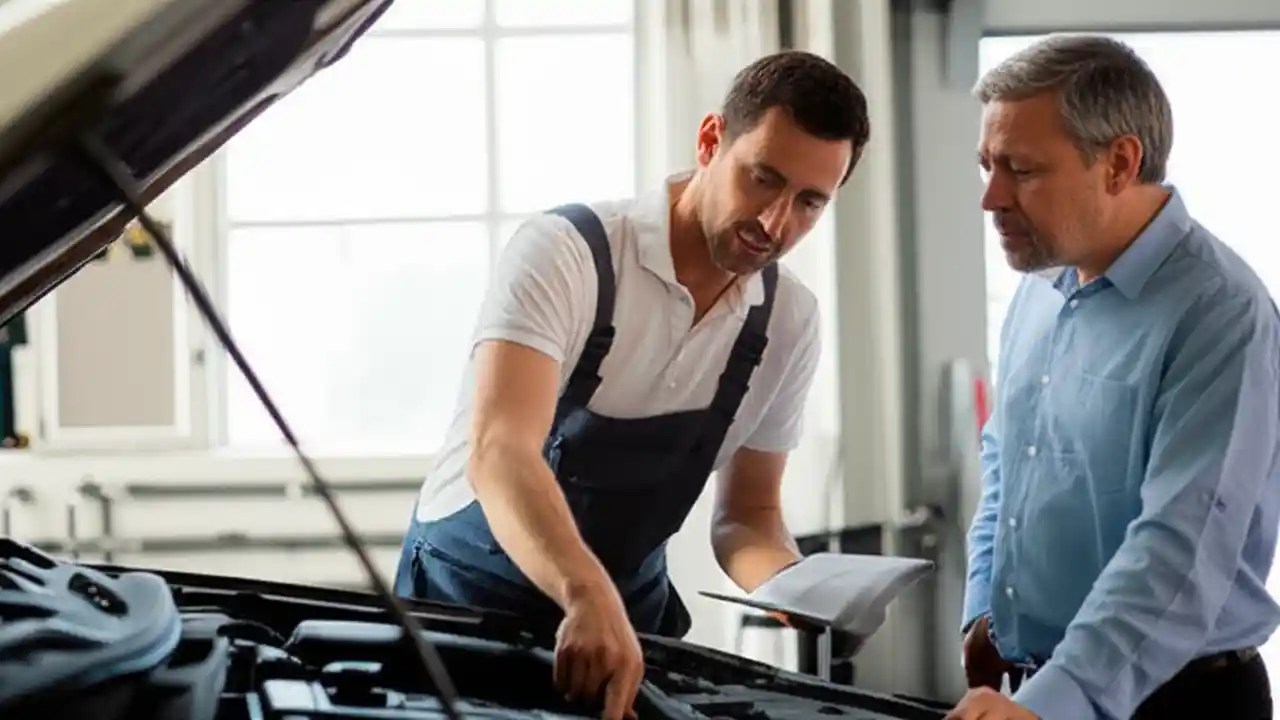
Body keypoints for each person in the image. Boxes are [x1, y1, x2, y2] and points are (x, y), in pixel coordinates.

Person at [393, 50, 870, 720]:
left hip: (627, 631)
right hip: (469, 605)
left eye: (809, 202)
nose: (774, 222)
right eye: (763, 178)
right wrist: (586, 592)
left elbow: (748, 515)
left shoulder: (788, 319)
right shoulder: (569, 254)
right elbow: (501, 451)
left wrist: (797, 588)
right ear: (711, 140)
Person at [951, 34, 1280, 720]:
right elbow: (1007, 462)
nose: (990, 198)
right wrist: (986, 610)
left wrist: (1053, 701)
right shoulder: (1039, 286)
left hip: (1181, 702)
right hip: (1040, 684)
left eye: (1021, 169)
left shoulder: (1220, 311)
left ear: (1120, 163)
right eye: (986, 165)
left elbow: (1179, 550)